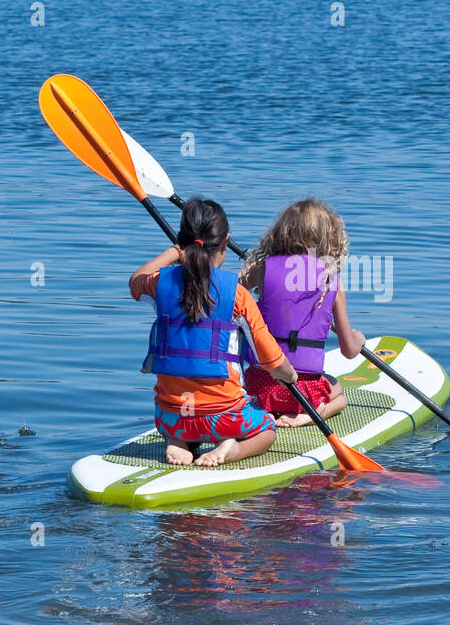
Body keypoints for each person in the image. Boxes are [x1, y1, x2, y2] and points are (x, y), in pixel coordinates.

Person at [130, 198, 296, 466]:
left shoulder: (160, 284)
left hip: (170, 417)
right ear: (225, 241)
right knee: (267, 430)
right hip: (224, 418)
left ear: (183, 243)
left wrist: (175, 251)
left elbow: (135, 281)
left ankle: (179, 440)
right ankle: (231, 449)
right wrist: (290, 375)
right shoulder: (237, 296)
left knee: (181, 419)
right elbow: (272, 361)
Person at [240, 199, 365, 428]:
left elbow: (232, 296)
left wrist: (249, 273)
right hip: (305, 393)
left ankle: (267, 411)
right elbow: (349, 351)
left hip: (260, 386)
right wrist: (358, 339)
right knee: (340, 393)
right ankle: (315, 413)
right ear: (328, 237)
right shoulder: (332, 281)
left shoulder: (263, 268)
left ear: (280, 232)